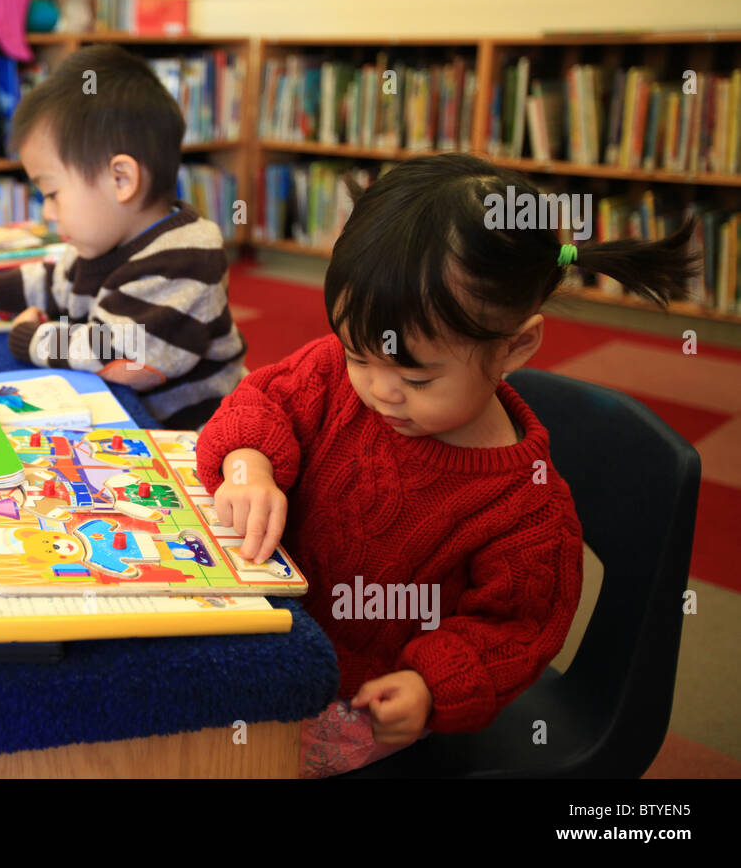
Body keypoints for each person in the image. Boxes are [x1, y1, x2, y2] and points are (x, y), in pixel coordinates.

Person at [196, 153, 698, 776]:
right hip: (265, 633)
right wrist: (250, 465)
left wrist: (428, 688)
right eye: (359, 355)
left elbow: (512, 631)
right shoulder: (333, 372)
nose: (380, 390)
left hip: (358, 702)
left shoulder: (528, 510)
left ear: (517, 346)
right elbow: (262, 399)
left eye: (416, 375)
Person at [0, 44, 246, 429]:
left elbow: (119, 353)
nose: (47, 212)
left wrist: (29, 337)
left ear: (121, 180)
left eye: (51, 193)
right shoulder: (103, 242)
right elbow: (54, 281)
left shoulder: (184, 260)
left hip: (204, 436)